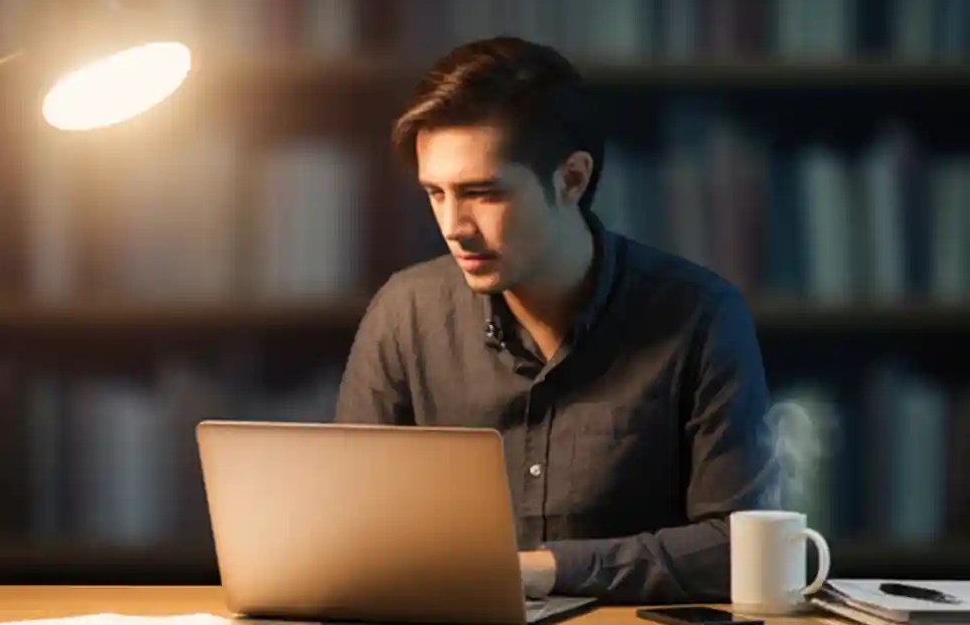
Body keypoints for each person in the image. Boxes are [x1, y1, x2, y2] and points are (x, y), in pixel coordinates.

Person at [335, 37, 781, 604]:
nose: (454, 226)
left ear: (571, 179)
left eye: (483, 193)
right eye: (435, 194)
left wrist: (543, 570)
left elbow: (740, 548)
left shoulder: (699, 315)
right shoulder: (405, 313)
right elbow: (348, 532)